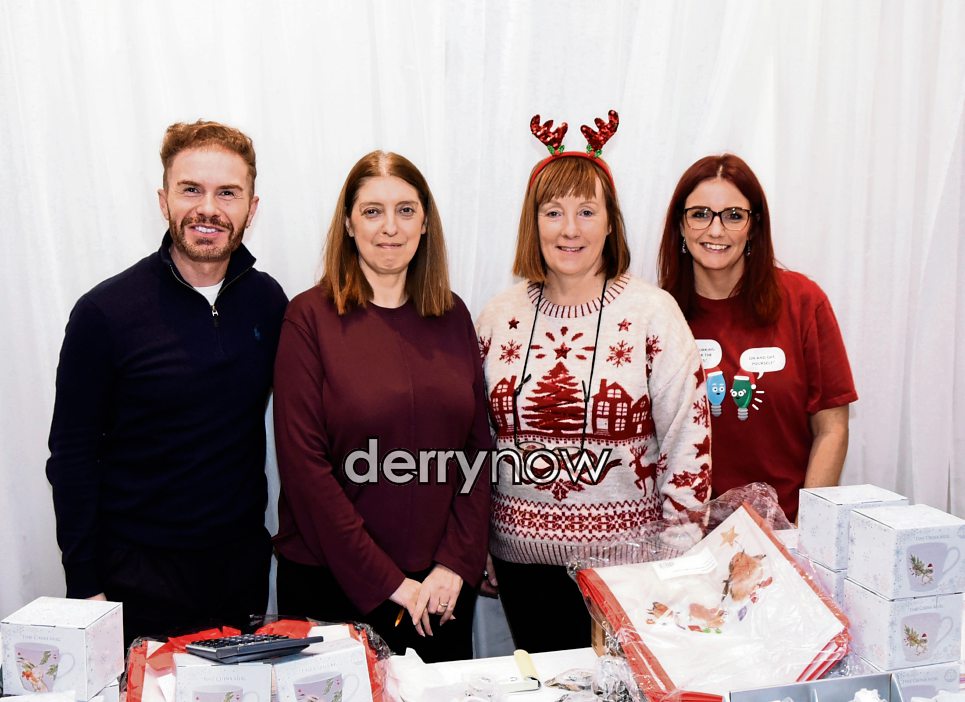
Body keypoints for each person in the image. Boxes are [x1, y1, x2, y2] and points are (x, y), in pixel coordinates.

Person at [476, 112, 711, 653]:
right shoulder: (497, 316)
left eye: (586, 211)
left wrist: (677, 558)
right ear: (532, 224)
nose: (570, 229)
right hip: (521, 565)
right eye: (553, 212)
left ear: (611, 223)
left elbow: (688, 440)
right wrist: (479, 543)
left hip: (630, 568)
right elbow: (478, 440)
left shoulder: (653, 313)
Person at [46, 120, 288, 645]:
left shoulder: (270, 303)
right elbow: (71, 458)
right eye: (191, 190)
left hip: (240, 576)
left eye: (228, 192)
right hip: (135, 582)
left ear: (252, 207)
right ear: (163, 201)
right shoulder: (104, 313)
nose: (209, 209)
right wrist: (85, 587)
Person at [272, 150, 491, 663]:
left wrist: (455, 565)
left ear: (425, 223)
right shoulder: (308, 319)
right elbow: (306, 473)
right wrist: (393, 584)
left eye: (405, 210)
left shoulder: (453, 314)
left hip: (438, 595)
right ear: (348, 223)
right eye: (372, 211)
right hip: (331, 589)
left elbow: (477, 452)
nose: (389, 227)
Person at [657, 153, 857, 522]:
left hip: (786, 532)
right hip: (686, 539)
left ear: (753, 226)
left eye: (733, 215)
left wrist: (803, 530)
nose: (715, 231)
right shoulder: (658, 314)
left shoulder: (802, 301)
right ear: (681, 226)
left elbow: (832, 427)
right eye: (700, 214)